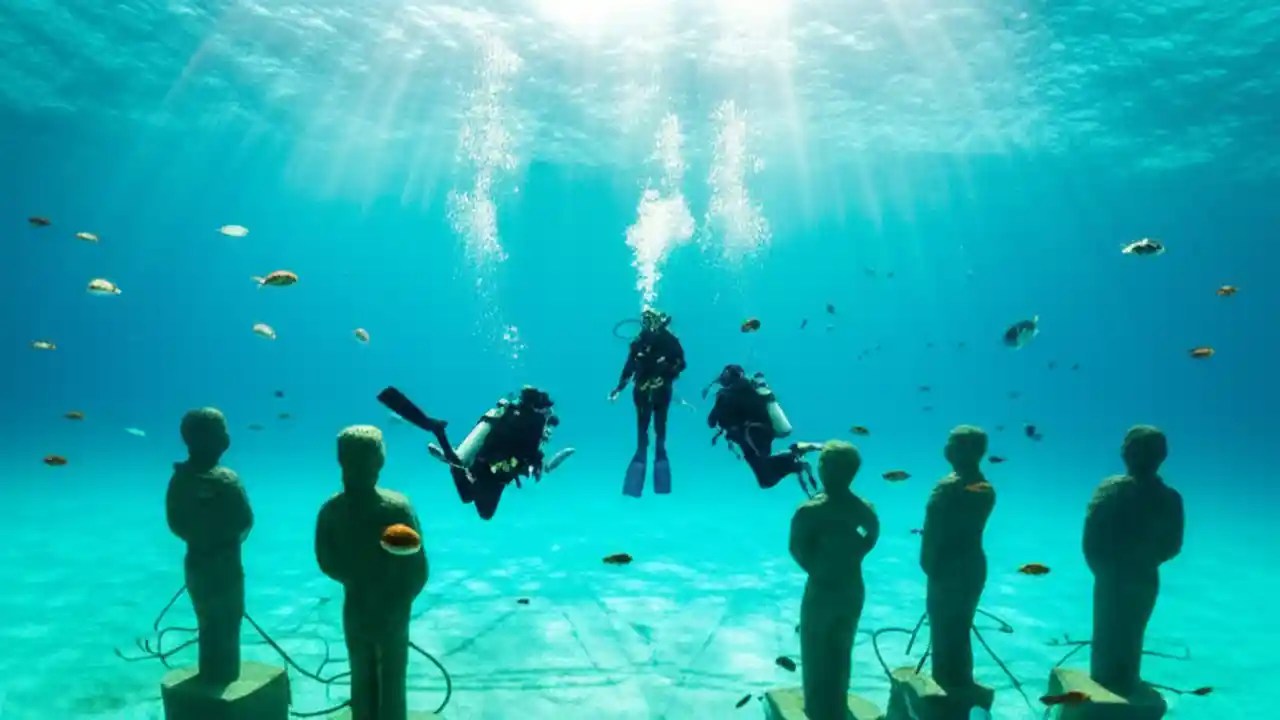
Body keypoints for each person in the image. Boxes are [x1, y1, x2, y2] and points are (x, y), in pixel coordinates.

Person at [315, 425, 427, 720]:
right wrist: (398, 598)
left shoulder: (331, 510)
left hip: (356, 603)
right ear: (380, 460)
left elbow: (326, 561)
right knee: (392, 673)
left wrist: (356, 579)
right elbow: (418, 569)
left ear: (341, 460)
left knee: (361, 671)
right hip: (391, 605)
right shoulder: (398, 507)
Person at [1084, 425, 1184, 696]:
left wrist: (1107, 572)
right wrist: (1145, 561)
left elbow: (1092, 541)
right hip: (1145, 577)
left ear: (1129, 452)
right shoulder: (1171, 498)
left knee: (1107, 637)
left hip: (1113, 577)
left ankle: (1106, 691)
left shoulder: (1111, 489)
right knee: (1132, 635)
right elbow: (1173, 546)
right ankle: (1125, 686)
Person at [377, 385, 574, 520]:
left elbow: (521, 451)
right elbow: (531, 455)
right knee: (478, 506)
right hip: (496, 470)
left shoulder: (513, 415)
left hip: (487, 464)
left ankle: (446, 445)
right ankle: (447, 446)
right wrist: (534, 464)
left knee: (471, 499)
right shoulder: (534, 424)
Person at [789, 440, 880, 720]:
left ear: (825, 469)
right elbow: (872, 535)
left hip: (822, 588)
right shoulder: (862, 507)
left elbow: (797, 548)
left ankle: (818, 708)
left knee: (816, 646)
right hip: (852, 585)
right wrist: (852, 556)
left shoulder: (811, 510)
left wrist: (819, 567)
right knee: (841, 647)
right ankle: (836, 705)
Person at [165, 407, 253, 685]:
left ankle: (212, 675)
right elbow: (244, 520)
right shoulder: (226, 479)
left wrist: (200, 536)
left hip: (196, 562)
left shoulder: (179, 479)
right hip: (225, 564)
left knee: (207, 622)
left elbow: (175, 522)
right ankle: (224, 677)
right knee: (228, 620)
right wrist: (223, 539)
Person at [920, 426, 996, 698]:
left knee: (944, 630)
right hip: (973, 563)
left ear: (968, 450)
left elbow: (934, 530)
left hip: (947, 566)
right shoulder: (986, 488)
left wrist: (928, 564)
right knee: (960, 628)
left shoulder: (949, 486)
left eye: (952, 443)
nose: (947, 448)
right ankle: (961, 682)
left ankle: (948, 689)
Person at [705, 364, 821, 495]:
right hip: (764, 436)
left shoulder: (725, 395)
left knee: (766, 480)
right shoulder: (754, 390)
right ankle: (794, 458)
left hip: (748, 441)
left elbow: (711, 422)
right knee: (766, 476)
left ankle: (795, 456)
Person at [609, 308, 687, 497]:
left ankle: (657, 456)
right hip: (643, 391)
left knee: (659, 429)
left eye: (650, 319)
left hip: (660, 390)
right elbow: (628, 368)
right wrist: (618, 388)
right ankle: (645, 457)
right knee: (644, 430)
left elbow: (681, 364)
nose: (648, 323)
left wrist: (666, 372)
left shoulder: (669, 340)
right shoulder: (638, 343)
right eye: (645, 320)